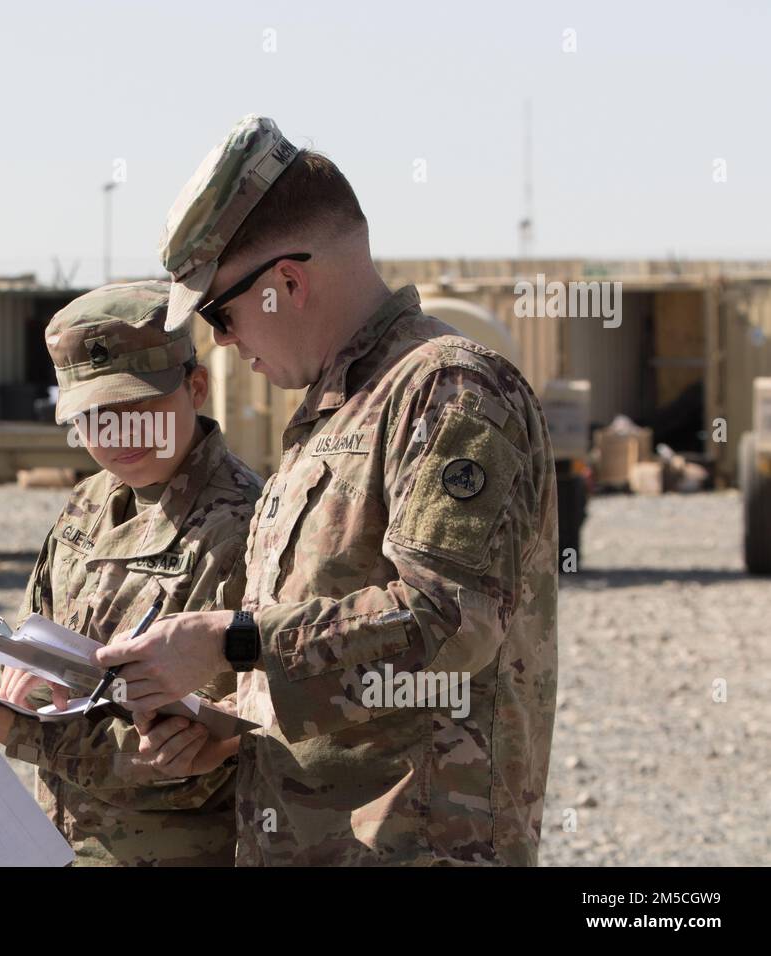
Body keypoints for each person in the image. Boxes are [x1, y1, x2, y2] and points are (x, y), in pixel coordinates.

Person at [94, 115, 559, 866]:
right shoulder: (332, 412)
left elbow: (450, 621)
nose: (221, 340)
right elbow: (342, 652)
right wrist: (235, 718)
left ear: (286, 284)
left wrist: (229, 640)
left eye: (219, 311)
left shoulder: (450, 389)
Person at [0, 279, 262, 865]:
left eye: (138, 407)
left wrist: (21, 730)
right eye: (93, 415)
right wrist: (16, 690)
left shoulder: (244, 527)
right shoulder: (89, 502)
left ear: (195, 388)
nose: (116, 433)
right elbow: (31, 645)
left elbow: (210, 755)